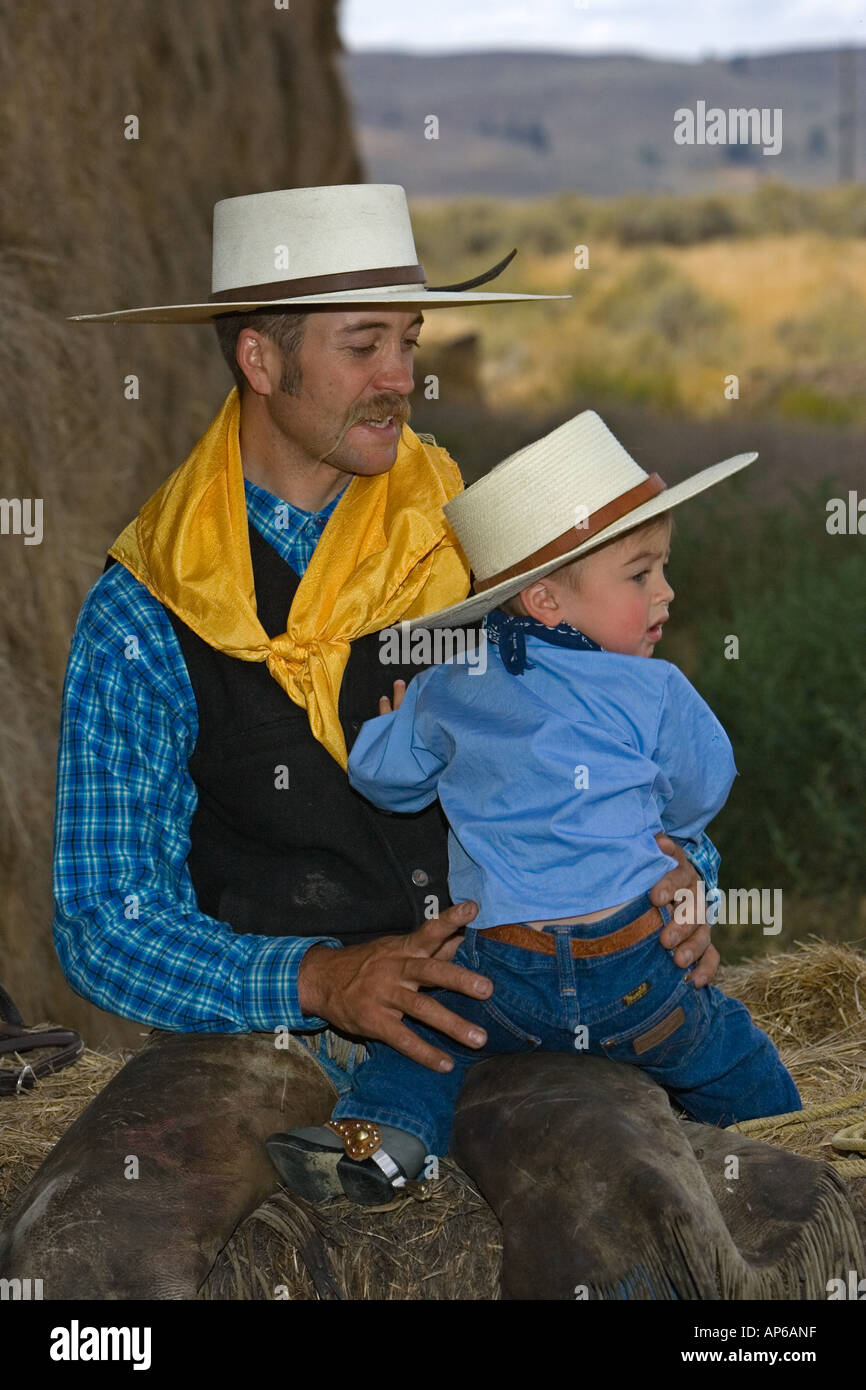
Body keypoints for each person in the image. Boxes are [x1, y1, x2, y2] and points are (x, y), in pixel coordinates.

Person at [0, 186, 720, 1299]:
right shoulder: (148, 608)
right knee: (84, 1254)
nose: (401, 375)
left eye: (409, 340)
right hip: (259, 1031)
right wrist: (320, 975)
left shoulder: (495, 565)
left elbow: (646, 783)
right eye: (363, 343)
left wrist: (678, 883)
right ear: (259, 358)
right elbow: (105, 920)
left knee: (634, 1224)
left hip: (519, 999)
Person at [270, 412, 800, 1205]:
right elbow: (703, 788)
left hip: (501, 971)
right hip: (634, 963)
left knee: (425, 1041)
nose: (667, 593)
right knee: (724, 1046)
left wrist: (392, 719)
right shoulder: (656, 689)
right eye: (641, 574)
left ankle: (384, 1140)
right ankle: (794, 1146)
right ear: (547, 598)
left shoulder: (452, 681)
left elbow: (385, 781)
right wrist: (669, 834)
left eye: (662, 571)